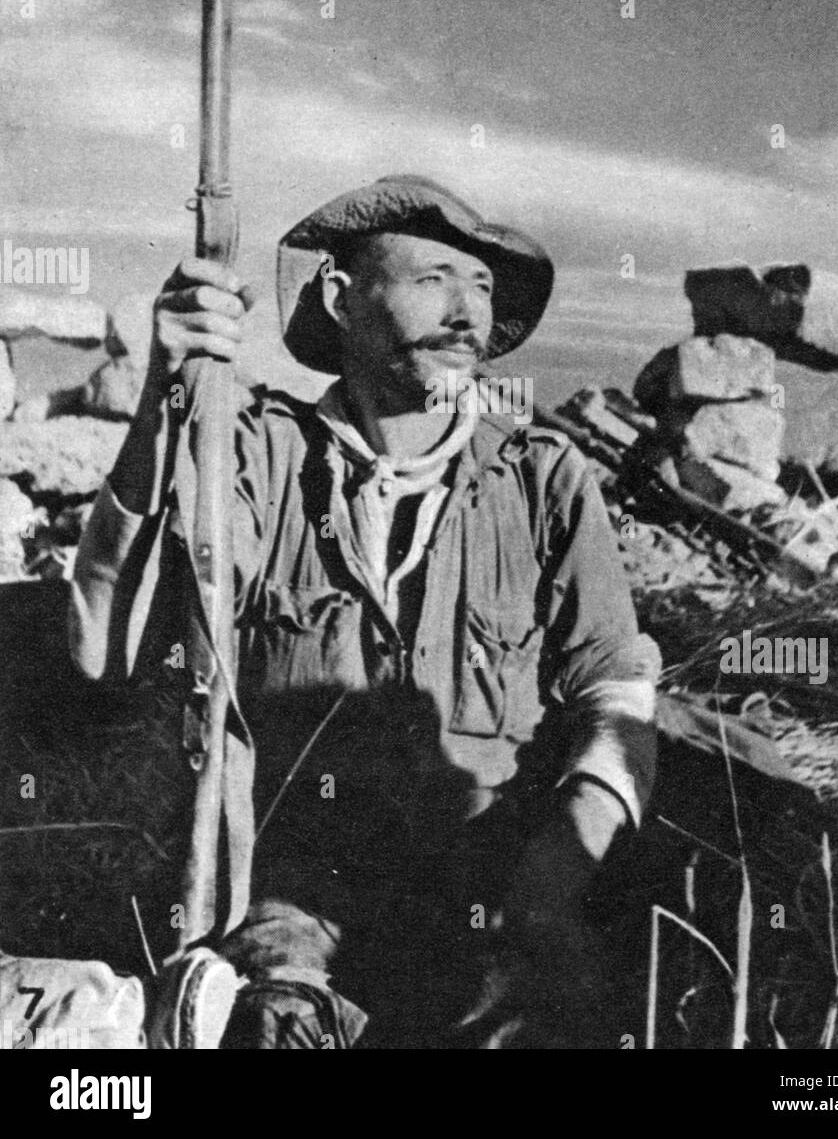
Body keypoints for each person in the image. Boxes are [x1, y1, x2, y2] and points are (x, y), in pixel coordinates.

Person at [69, 174, 660, 1049]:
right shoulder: (254, 457)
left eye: (483, 288)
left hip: (490, 877)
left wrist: (550, 884)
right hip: (291, 889)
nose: (468, 312)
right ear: (342, 299)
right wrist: (166, 390)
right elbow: (103, 651)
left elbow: (615, 696)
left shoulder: (543, 480)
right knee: (274, 1028)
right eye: (432, 279)